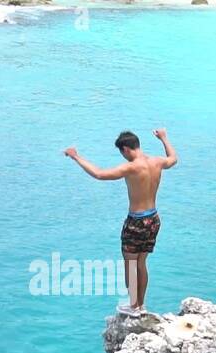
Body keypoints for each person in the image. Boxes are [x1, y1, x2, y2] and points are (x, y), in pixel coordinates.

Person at [63, 129, 178, 316]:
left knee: (130, 264)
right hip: (154, 219)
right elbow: (173, 158)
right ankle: (141, 305)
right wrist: (164, 138)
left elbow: (99, 174)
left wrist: (76, 157)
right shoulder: (157, 161)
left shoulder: (131, 167)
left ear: (126, 149)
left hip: (137, 222)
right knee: (141, 263)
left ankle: (133, 306)